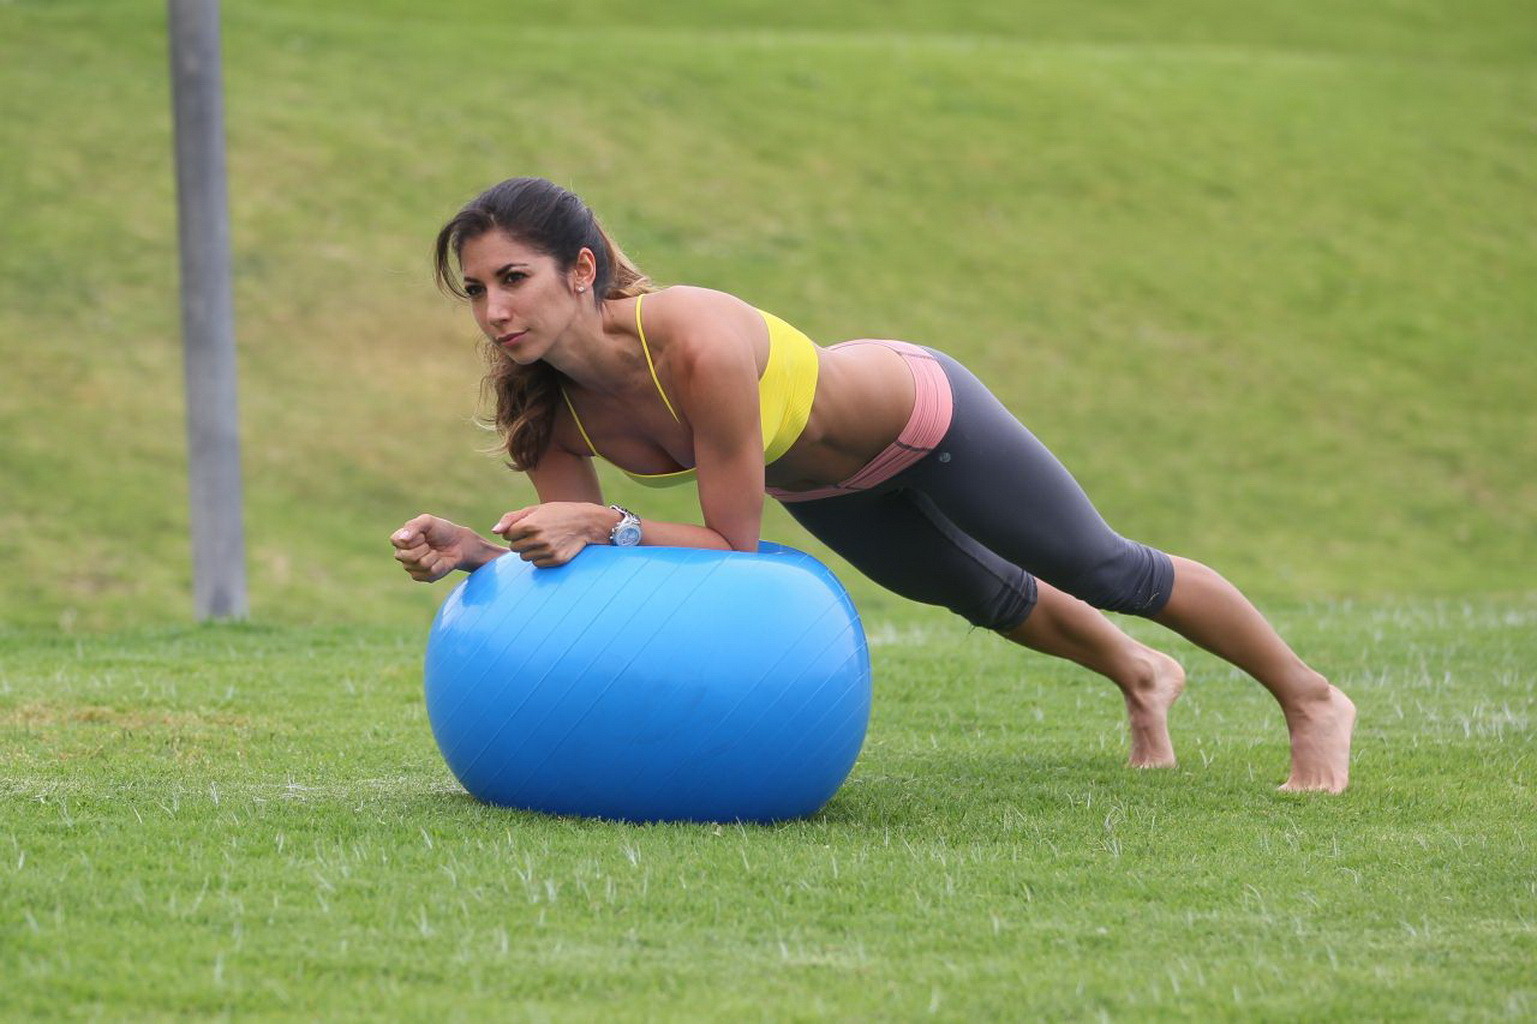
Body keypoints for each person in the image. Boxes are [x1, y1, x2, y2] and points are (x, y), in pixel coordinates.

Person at [392, 176, 1356, 792]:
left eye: (513, 278)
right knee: (982, 596)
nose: (494, 309)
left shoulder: (694, 338)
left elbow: (726, 545)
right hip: (826, 489)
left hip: (922, 418)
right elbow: (589, 555)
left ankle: (1309, 699)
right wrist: (496, 550)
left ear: (583, 270)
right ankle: (1143, 674)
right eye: (475, 290)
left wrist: (602, 519)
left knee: (1102, 567)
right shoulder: (544, 409)